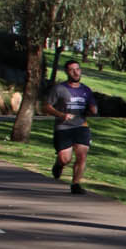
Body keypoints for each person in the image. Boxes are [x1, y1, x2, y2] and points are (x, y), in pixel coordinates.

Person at [48, 59, 99, 194]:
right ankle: (59, 165)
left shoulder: (86, 90)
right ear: (67, 72)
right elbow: (46, 106)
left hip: (81, 126)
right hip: (63, 127)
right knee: (65, 159)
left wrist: (93, 110)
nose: (76, 72)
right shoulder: (59, 89)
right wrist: (60, 114)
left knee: (81, 156)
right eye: (72, 70)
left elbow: (92, 107)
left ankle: (75, 184)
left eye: (78, 69)